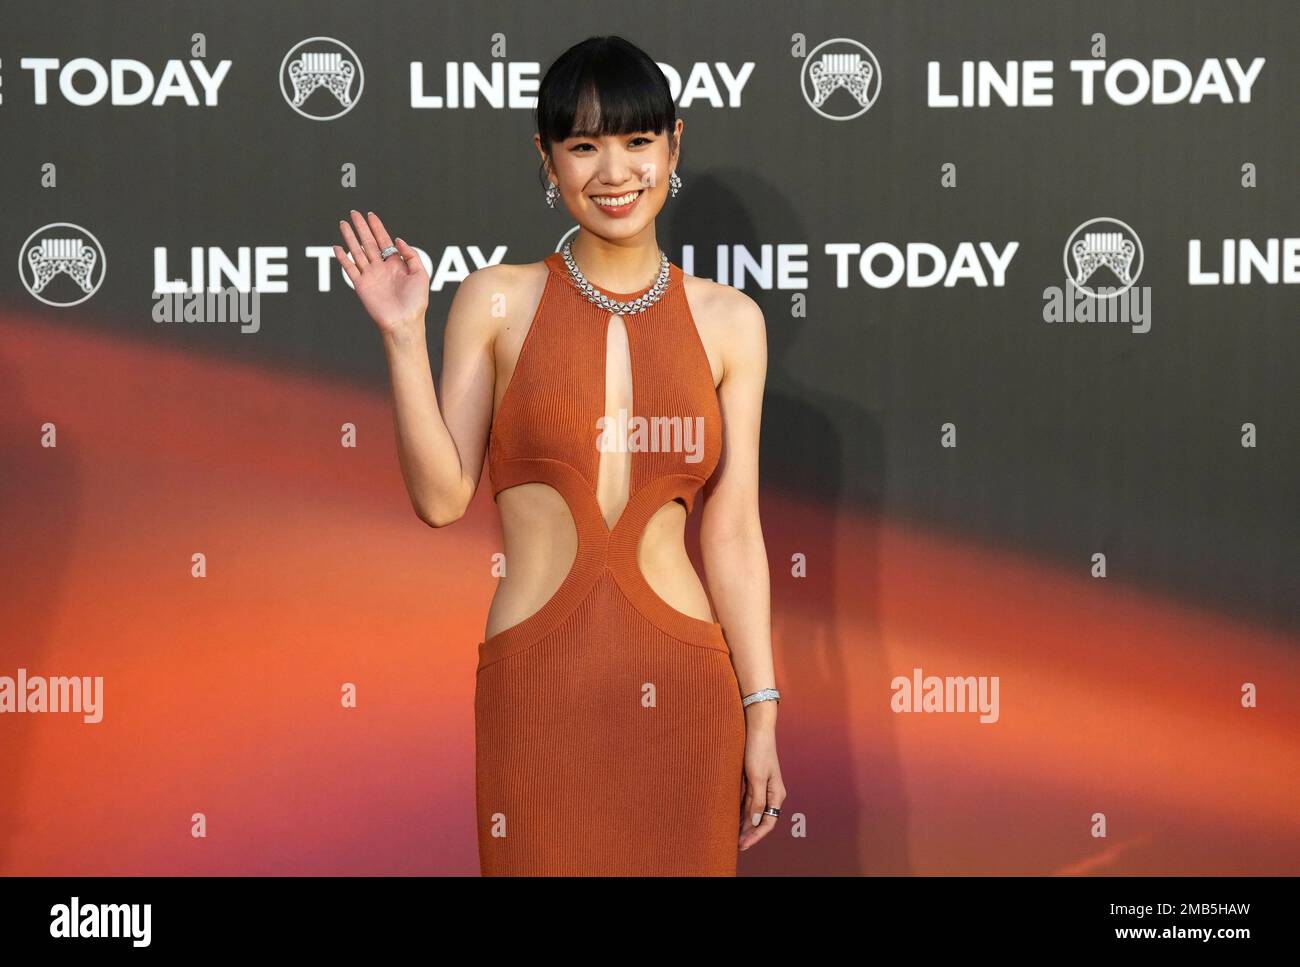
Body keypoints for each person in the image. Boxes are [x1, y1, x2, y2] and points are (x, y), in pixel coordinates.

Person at [332, 34, 783, 875]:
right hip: (539, 686)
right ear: (547, 159)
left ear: (674, 144)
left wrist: (760, 710)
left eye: (637, 142)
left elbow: (735, 534)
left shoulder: (731, 321)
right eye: (583, 146)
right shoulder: (497, 299)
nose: (614, 172)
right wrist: (402, 338)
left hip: (683, 687)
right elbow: (440, 497)